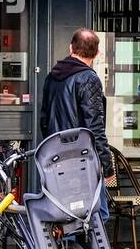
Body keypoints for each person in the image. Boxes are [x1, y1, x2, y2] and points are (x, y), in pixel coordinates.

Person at [40, 28, 116, 220]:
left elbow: (44, 120)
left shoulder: (52, 77)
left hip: (56, 157)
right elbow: (95, 127)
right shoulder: (88, 78)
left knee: (67, 212)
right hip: (81, 159)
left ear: (71, 47)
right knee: (97, 214)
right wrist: (107, 167)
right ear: (97, 54)